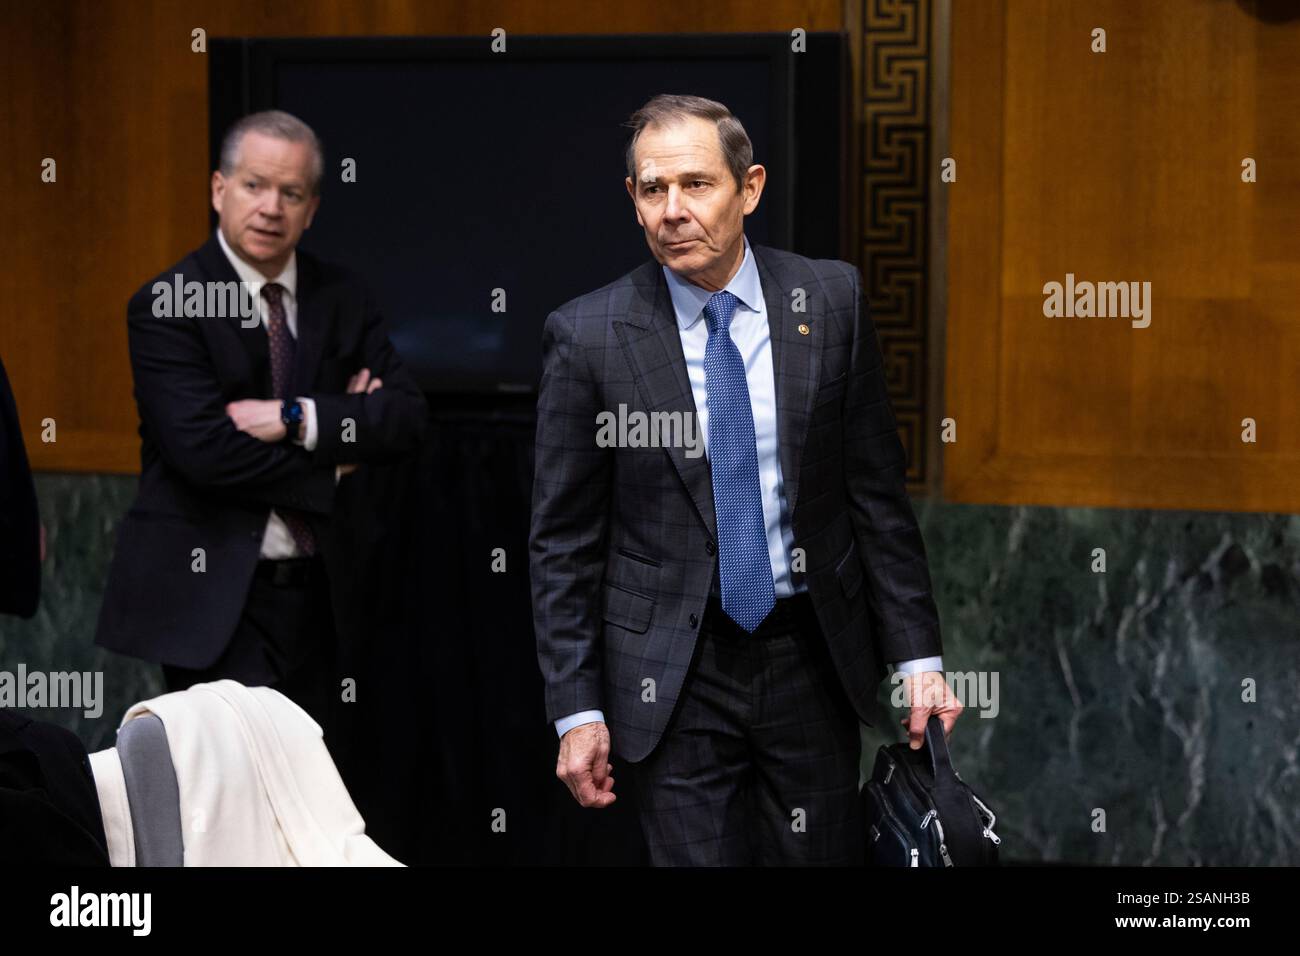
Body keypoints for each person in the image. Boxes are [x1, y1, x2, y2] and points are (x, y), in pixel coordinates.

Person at [530, 94, 962, 865]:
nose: (672, 210)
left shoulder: (830, 302)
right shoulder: (588, 334)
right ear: (632, 200)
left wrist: (919, 661)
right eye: (652, 190)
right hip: (672, 675)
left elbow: (875, 499)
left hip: (811, 658)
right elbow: (562, 543)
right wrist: (576, 711)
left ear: (750, 188)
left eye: (696, 184)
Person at [95, 110, 428, 745]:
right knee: (234, 787)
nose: (271, 207)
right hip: (216, 598)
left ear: (312, 207)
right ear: (219, 189)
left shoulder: (343, 296)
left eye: (291, 193)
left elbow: (406, 419)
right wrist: (336, 454)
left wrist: (296, 417)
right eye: (254, 186)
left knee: (322, 794)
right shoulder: (169, 302)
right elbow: (205, 453)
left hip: (327, 598)